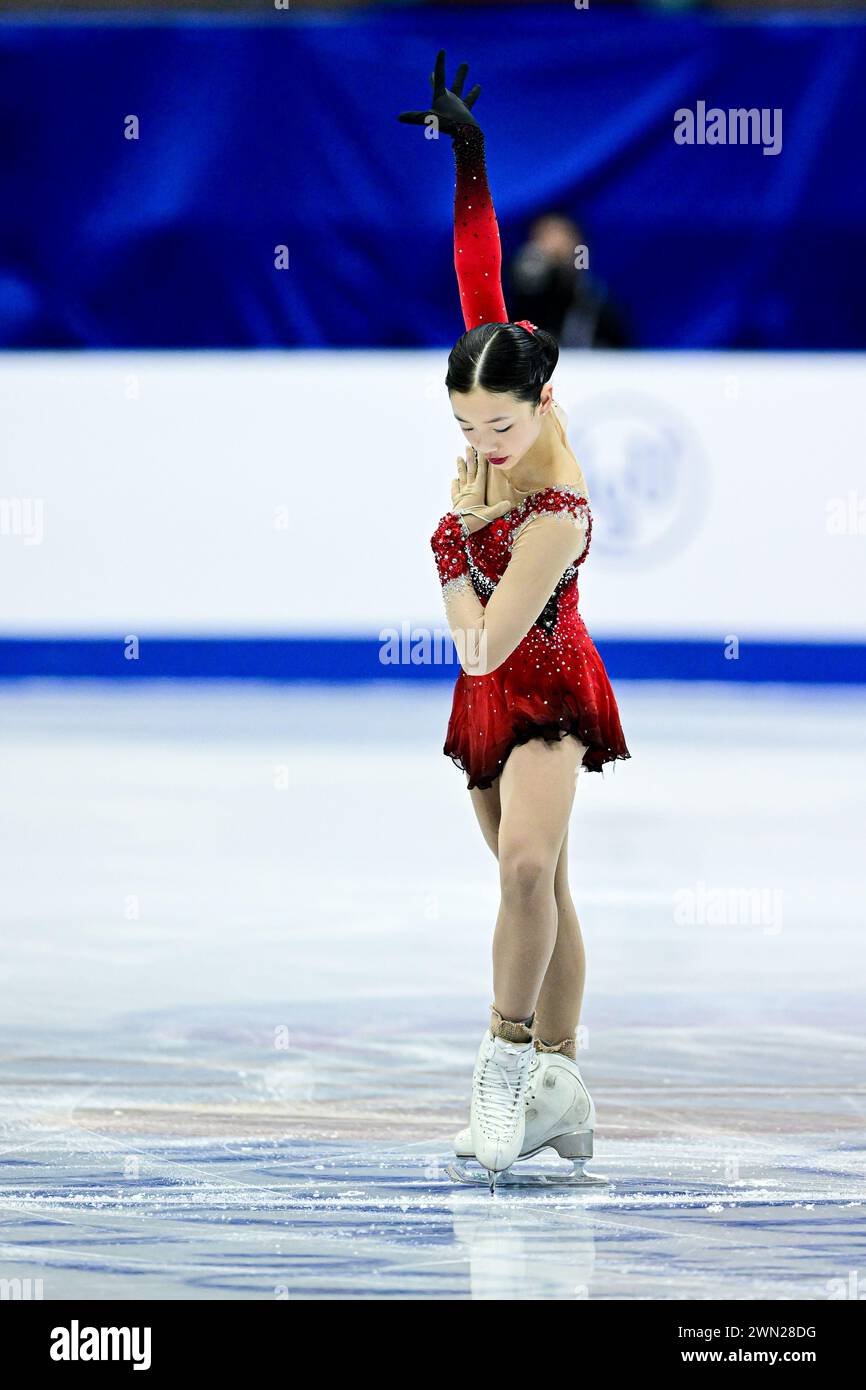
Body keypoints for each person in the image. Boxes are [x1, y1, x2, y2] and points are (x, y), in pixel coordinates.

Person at [398, 51, 630, 1187]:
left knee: (528, 870)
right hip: (486, 691)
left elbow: (484, 636)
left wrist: (449, 543)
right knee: (537, 883)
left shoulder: (555, 493)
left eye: (497, 425)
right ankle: (566, 1080)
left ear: (539, 401)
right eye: (464, 424)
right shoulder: (505, 368)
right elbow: (477, 283)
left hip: (536, 676)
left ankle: (506, 1066)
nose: (481, 444)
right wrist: (472, 160)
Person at [509, 211, 631, 348]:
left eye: (561, 238)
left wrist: (561, 267)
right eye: (544, 237)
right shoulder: (524, 295)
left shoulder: (596, 302)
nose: (552, 246)